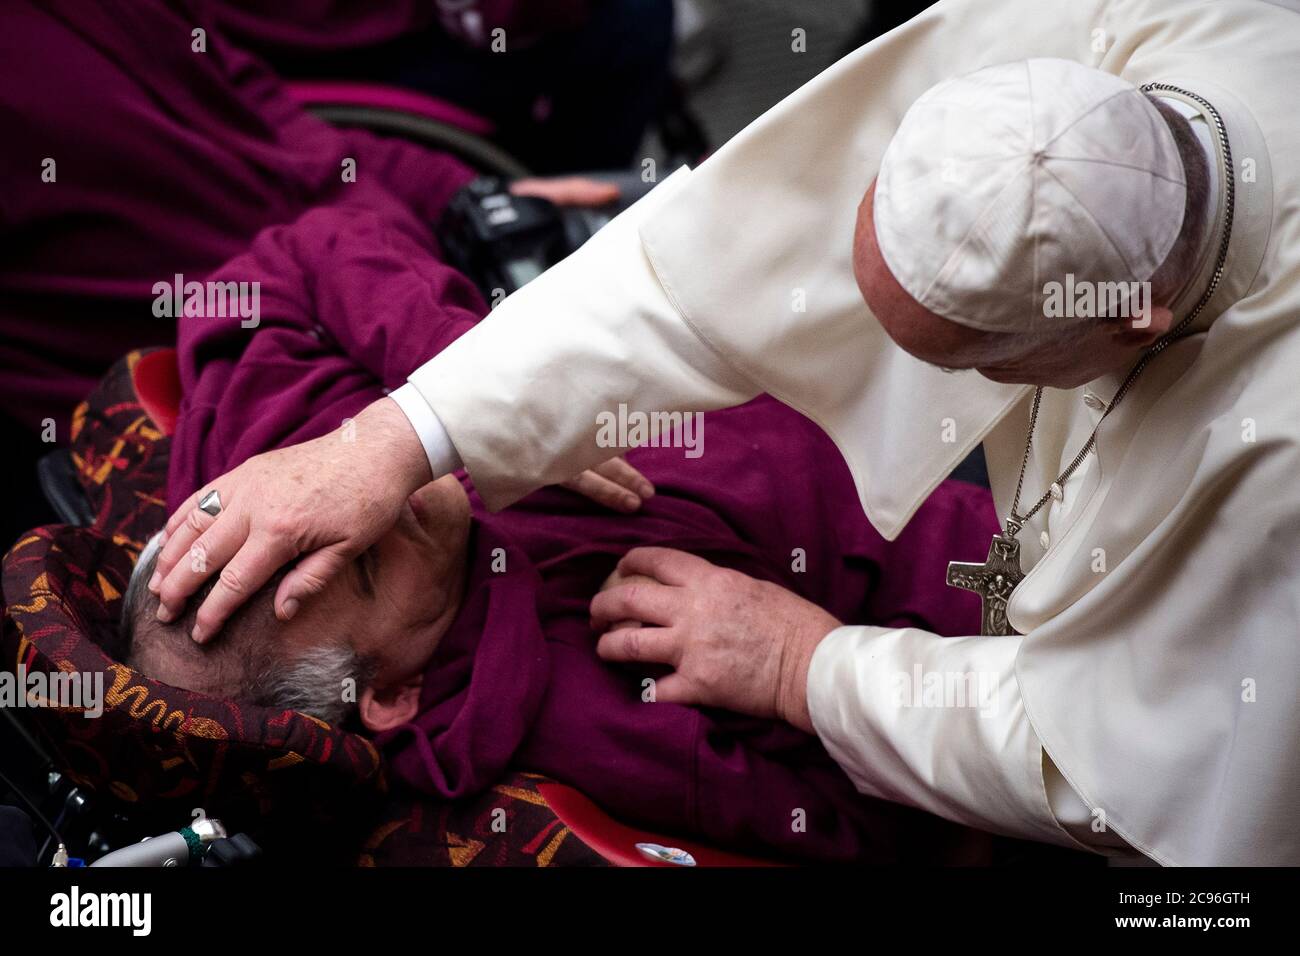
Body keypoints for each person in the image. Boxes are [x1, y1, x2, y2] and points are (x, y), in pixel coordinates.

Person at [152, 0, 1300, 865]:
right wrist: (410, 428)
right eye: (345, 556)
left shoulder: (1268, 459)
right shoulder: (1096, 39)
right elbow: (706, 266)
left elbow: (1124, 749)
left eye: (957, 357)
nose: (367, 518)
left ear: (1127, 327)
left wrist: (807, 667)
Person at [116, 206, 1003, 860]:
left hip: (781, 321)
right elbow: (894, 833)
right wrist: (792, 663)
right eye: (370, 570)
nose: (382, 505)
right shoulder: (596, 722)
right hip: (973, 533)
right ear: (391, 696)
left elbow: (291, 252)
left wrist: (462, 393)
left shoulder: (288, 475)